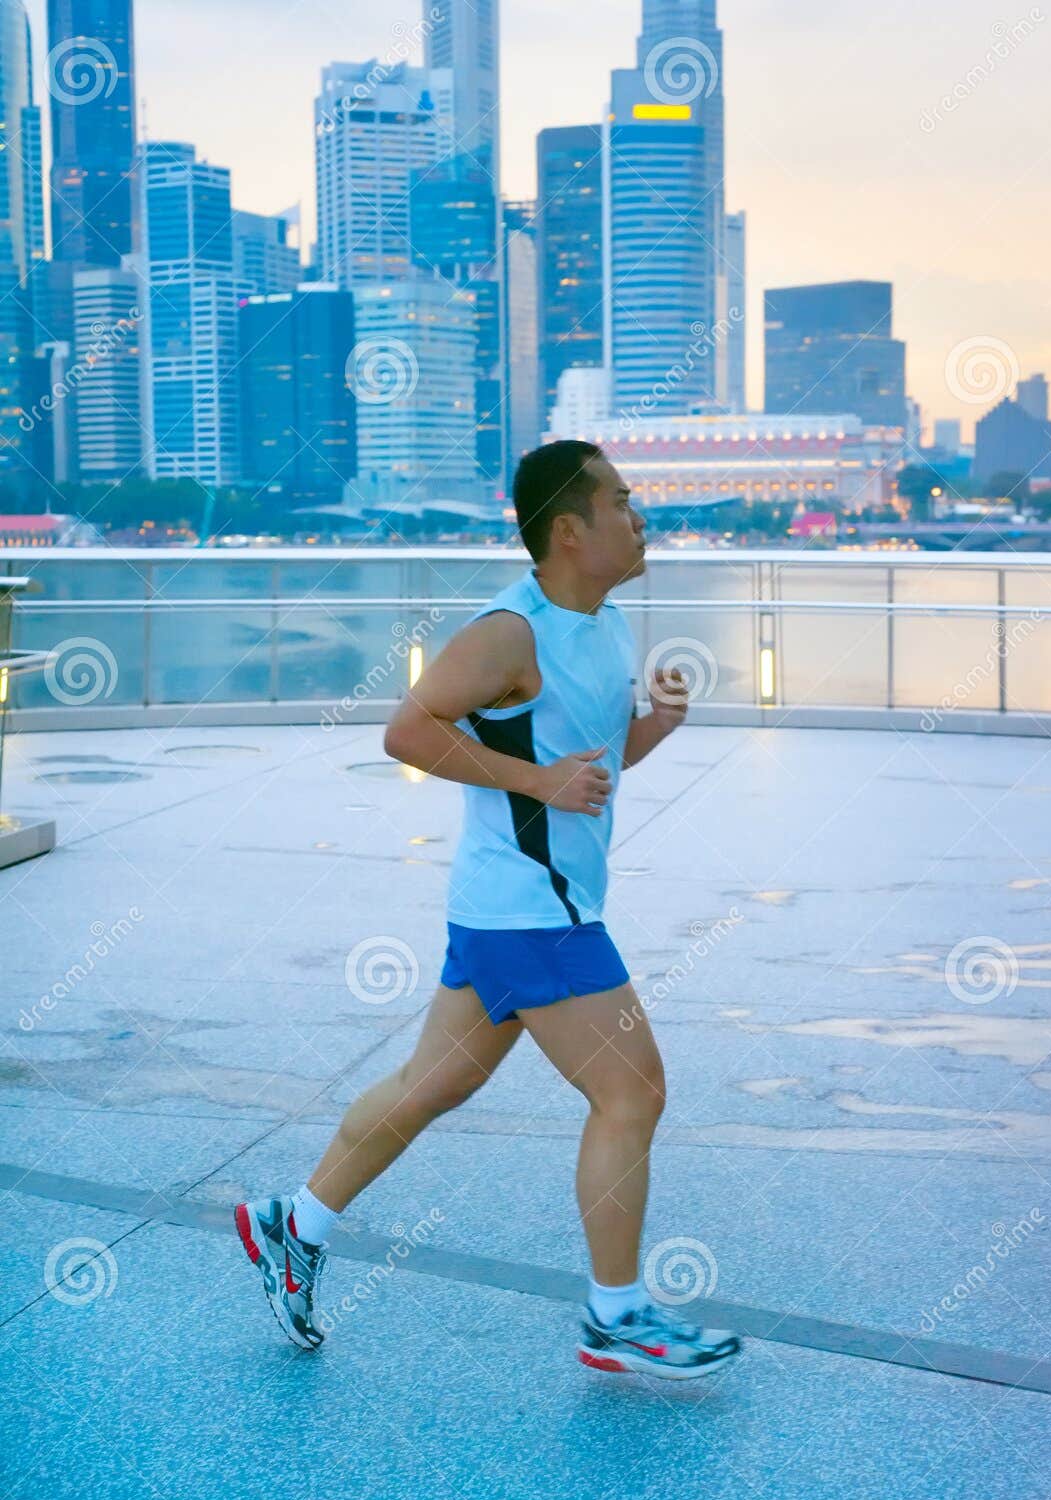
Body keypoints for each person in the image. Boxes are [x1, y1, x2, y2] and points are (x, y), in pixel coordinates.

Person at [235, 441, 740, 1379]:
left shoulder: (609, 622)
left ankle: (291, 1224)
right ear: (568, 530)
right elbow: (406, 728)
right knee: (631, 1092)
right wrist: (536, 782)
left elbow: (587, 771)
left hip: (517, 907)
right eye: (623, 503)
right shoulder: (509, 632)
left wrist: (652, 730)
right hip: (531, 910)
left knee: (434, 1085)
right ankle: (616, 1315)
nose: (641, 519)